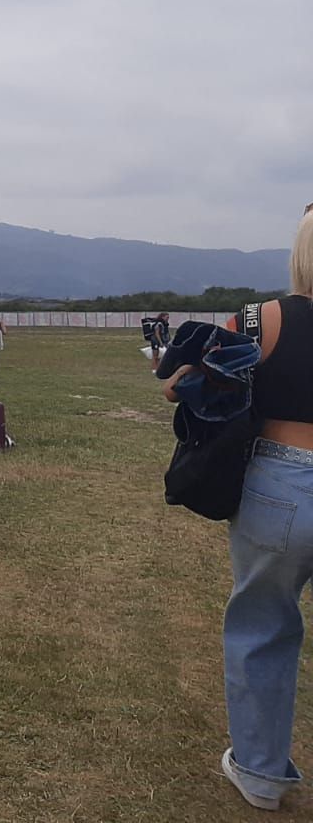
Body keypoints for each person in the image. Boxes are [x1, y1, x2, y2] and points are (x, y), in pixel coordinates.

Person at [169, 212, 313, 811]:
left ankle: (258, 772)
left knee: (262, 624)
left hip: (283, 482)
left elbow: (182, 383)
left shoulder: (261, 320)